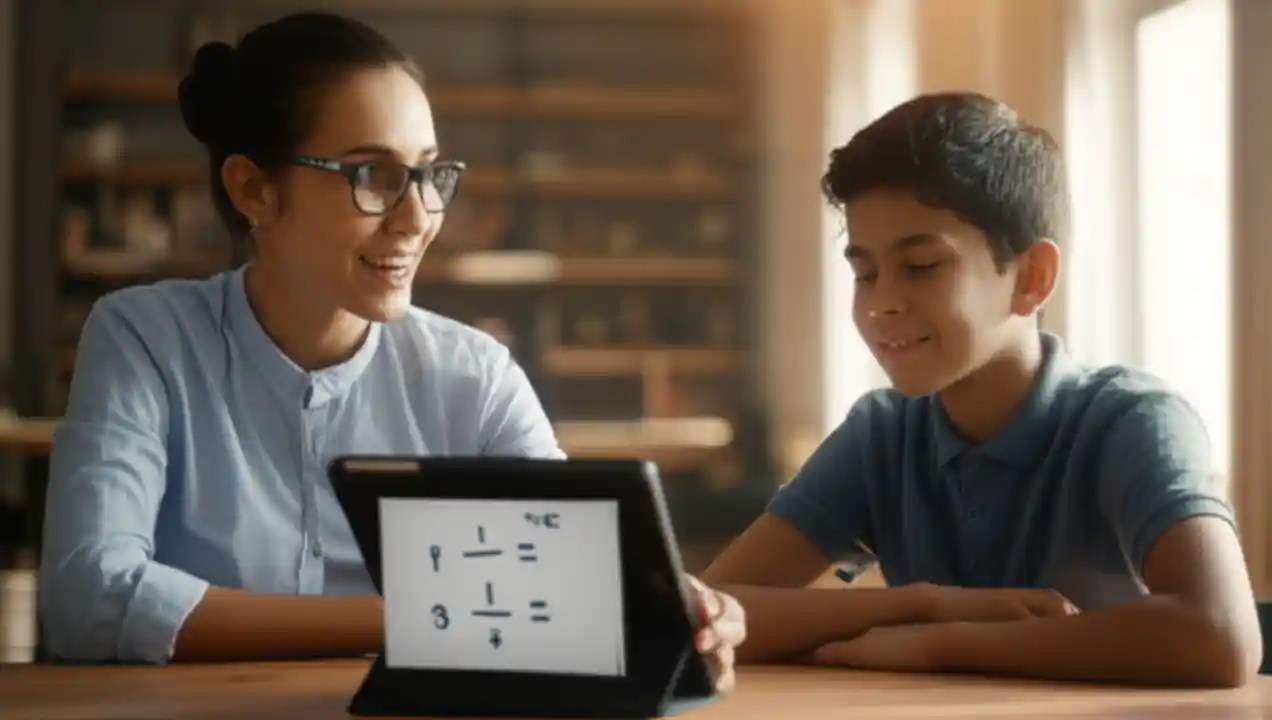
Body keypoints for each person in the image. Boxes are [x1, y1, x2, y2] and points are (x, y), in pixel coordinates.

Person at [39, 12, 744, 685]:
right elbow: (87, 597)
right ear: (253, 189)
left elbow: (571, 569)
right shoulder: (145, 339)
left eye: (429, 175)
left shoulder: (476, 377)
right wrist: (416, 621)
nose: (418, 217)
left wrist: (667, 601)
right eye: (371, 175)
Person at [703, 92, 1261, 688]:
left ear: (1031, 278)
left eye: (921, 266)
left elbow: (1220, 635)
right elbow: (705, 614)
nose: (880, 303)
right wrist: (922, 604)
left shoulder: (1133, 422)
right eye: (864, 273)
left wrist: (944, 643)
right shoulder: (884, 435)